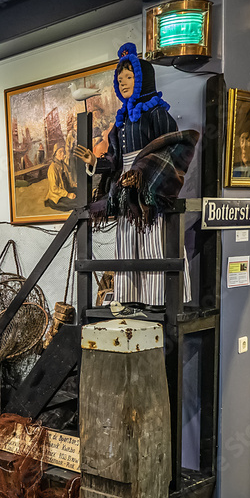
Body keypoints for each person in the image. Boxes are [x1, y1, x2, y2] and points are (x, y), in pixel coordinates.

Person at [74, 42, 198, 311]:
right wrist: (95, 161)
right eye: (120, 79)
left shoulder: (156, 113)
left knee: (153, 241)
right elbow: (115, 160)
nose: (124, 82)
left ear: (142, 79)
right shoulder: (120, 122)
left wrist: (143, 174)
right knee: (127, 242)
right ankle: (131, 296)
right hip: (125, 187)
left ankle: (158, 299)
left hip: (149, 188)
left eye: (129, 77)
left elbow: (170, 150)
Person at [45, 143, 81, 211]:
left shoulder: (63, 165)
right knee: (78, 203)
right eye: (60, 152)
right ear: (55, 154)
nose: (62, 154)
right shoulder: (52, 168)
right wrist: (67, 194)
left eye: (63, 151)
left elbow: (69, 180)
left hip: (66, 190)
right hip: (57, 197)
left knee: (81, 193)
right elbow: (54, 188)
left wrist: (74, 184)